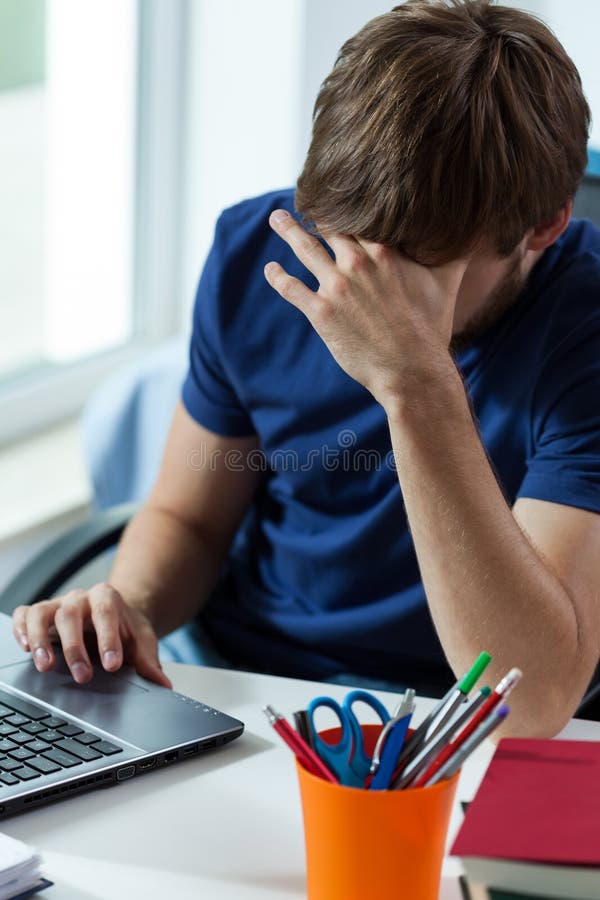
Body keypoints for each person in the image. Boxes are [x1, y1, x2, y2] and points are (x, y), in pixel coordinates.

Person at [12, 0, 600, 737]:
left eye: (412, 263)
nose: (353, 285)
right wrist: (128, 604)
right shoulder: (254, 256)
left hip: (443, 721)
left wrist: (414, 384)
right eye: (341, 238)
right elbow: (189, 519)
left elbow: (533, 701)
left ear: (544, 227)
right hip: (240, 681)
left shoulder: (585, 328)